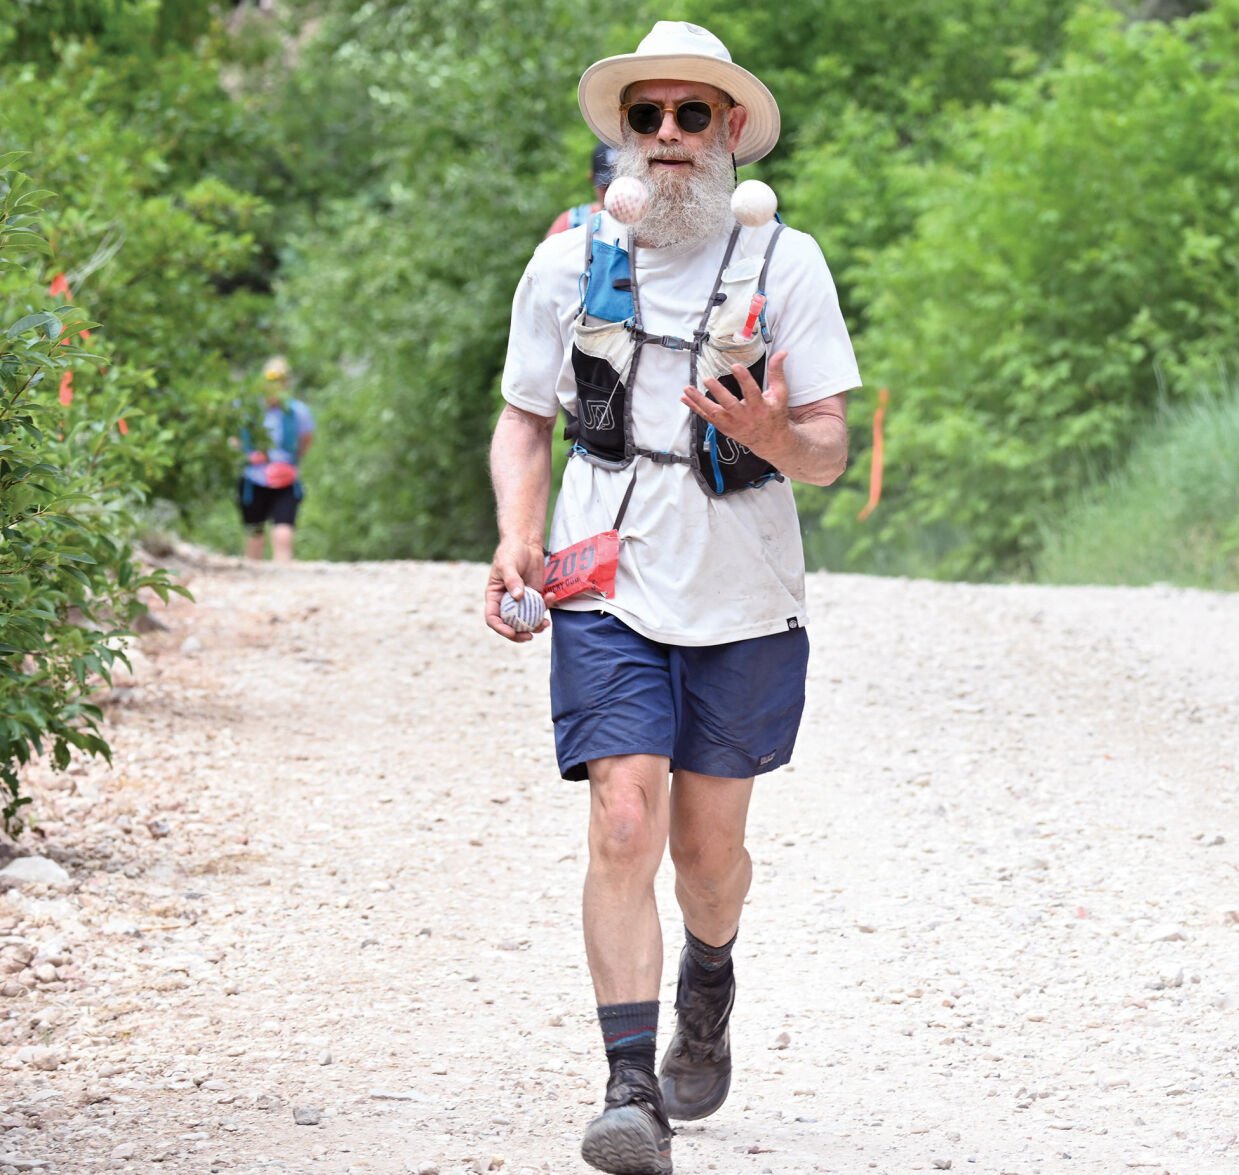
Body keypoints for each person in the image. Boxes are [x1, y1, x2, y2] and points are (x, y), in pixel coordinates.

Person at [485, 20, 859, 1174]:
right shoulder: (566, 261)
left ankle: (711, 970)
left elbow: (830, 450)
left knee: (706, 856)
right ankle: (628, 1087)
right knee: (623, 817)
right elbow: (523, 420)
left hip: (742, 590)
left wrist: (765, 431)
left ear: (730, 129)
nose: (665, 137)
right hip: (603, 572)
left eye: (689, 115)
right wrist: (512, 537)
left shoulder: (781, 263)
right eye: (644, 118)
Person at [236, 355, 316, 564]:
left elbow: (306, 440)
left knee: (281, 531)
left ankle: (280, 577)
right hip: (254, 477)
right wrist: (249, 456)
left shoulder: (296, 411)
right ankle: (259, 578)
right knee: (257, 531)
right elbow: (234, 438)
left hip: (284, 477)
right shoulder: (249, 408)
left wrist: (290, 463)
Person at [547, 141, 619, 238]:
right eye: (606, 185)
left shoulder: (643, 227)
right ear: (591, 178)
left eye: (621, 184)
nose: (613, 192)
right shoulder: (570, 223)